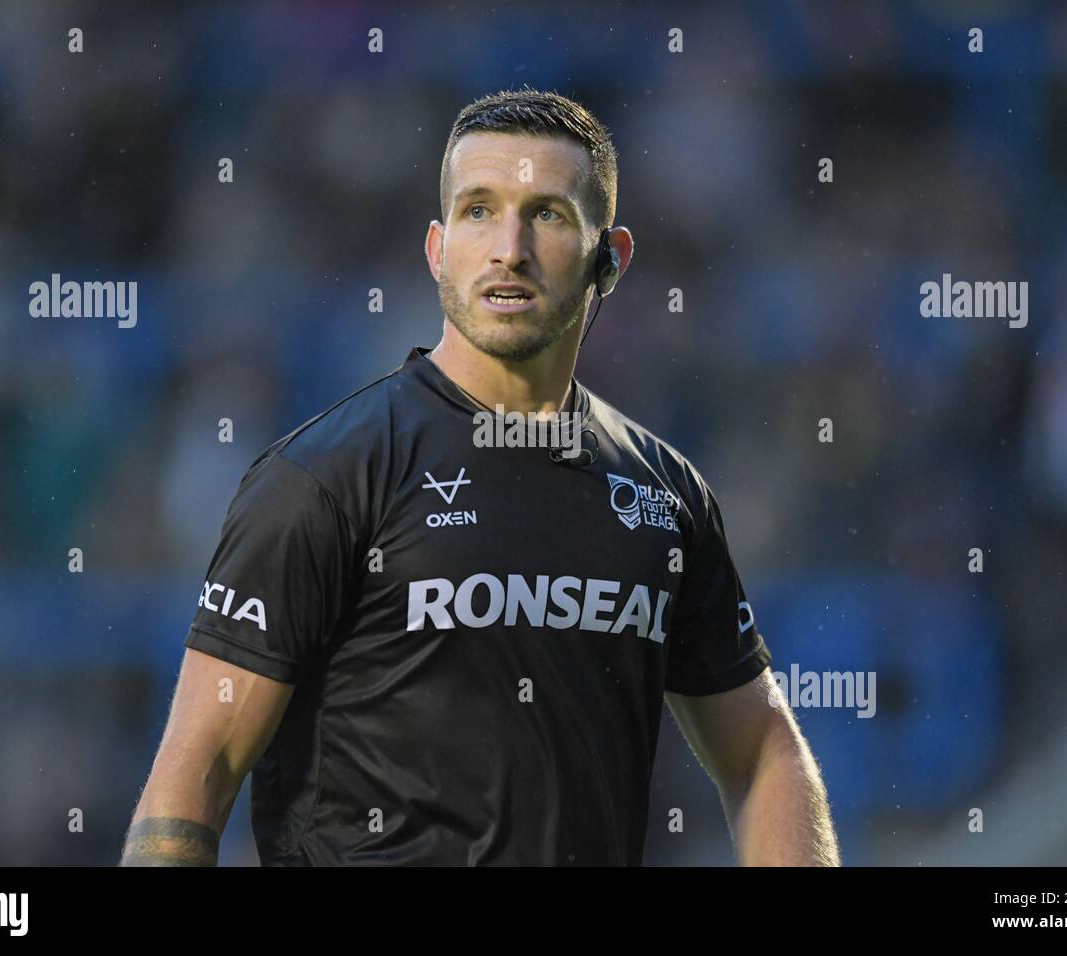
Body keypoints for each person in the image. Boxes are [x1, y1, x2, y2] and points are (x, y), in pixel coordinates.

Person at [121, 86, 838, 866]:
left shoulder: (665, 499)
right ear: (436, 250)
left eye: (548, 214)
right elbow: (195, 777)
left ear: (612, 257)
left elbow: (764, 750)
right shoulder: (325, 478)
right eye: (478, 211)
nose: (509, 248)